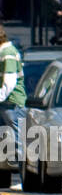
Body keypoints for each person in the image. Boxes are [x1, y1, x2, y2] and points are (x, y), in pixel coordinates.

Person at [0, 25, 26, 173]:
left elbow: (9, 82)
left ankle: (25, 175)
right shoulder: (5, 52)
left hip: (11, 104)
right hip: (9, 103)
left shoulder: (7, 53)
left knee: (18, 143)